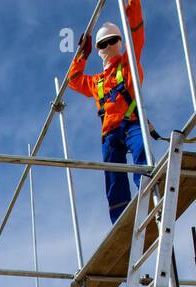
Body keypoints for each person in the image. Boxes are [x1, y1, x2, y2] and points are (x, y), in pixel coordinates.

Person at [66, 1, 148, 223]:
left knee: (142, 151)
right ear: (99, 49)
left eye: (114, 40)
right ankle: (120, 220)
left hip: (131, 123)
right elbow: (73, 81)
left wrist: (131, 4)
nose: (109, 45)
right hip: (110, 134)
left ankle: (148, 192)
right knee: (113, 178)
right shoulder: (96, 82)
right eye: (104, 43)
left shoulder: (129, 63)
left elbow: (137, 30)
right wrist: (82, 55)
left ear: (120, 42)